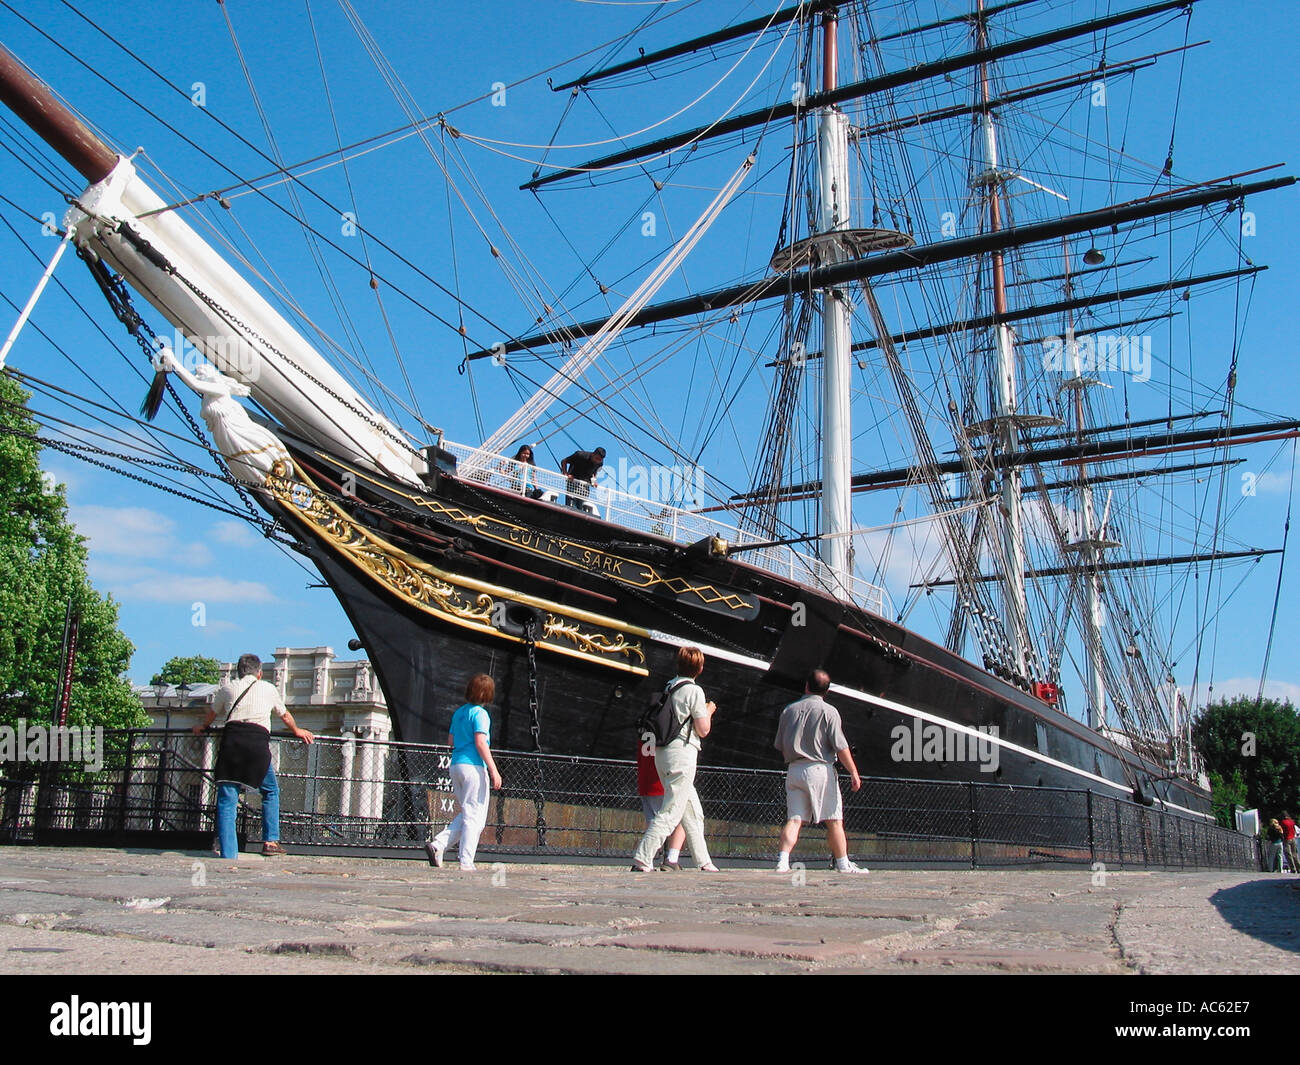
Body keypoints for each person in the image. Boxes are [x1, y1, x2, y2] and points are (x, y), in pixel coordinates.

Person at [194, 653, 315, 859]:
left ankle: (229, 854)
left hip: (232, 742)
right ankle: (270, 840)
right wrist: (297, 730)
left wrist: (202, 727)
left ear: (239, 671)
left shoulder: (227, 688)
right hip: (257, 744)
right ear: (259, 673)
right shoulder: (268, 688)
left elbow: (212, 713)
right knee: (270, 791)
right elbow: (284, 715)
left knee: (227, 799)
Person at [630, 647, 719, 872]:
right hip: (682, 755)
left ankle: (704, 861)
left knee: (692, 811)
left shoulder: (669, 686)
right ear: (700, 668)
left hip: (662, 754)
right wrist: (709, 711)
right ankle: (643, 857)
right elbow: (703, 729)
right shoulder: (694, 691)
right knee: (671, 811)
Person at [773, 669, 867, 874]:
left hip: (794, 768)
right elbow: (841, 746)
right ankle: (843, 864)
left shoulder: (789, 710)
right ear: (827, 691)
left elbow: (780, 744)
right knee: (833, 820)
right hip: (820, 769)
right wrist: (853, 771)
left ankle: (782, 861)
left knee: (795, 819)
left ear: (806, 685)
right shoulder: (829, 711)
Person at [157, 350, 289, 484]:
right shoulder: (206, 399)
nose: (197, 376)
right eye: (196, 374)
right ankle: (263, 484)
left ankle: (270, 477)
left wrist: (174, 361)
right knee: (241, 463)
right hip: (223, 435)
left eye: (200, 374)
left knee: (251, 456)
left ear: (211, 376)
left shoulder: (220, 388)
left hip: (234, 428)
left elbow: (194, 384)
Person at [426, 674, 503, 871]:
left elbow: (451, 741)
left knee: (469, 812)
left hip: (456, 765)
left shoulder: (459, 713)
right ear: (487, 693)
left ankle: (439, 845)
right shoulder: (480, 714)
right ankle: (466, 861)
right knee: (475, 817)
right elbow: (480, 742)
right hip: (474, 767)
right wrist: (494, 770)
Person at [636, 737, 687, 870]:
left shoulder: (646, 726)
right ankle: (671, 859)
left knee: (652, 820)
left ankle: (649, 859)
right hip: (664, 780)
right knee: (682, 819)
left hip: (646, 780)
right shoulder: (669, 726)